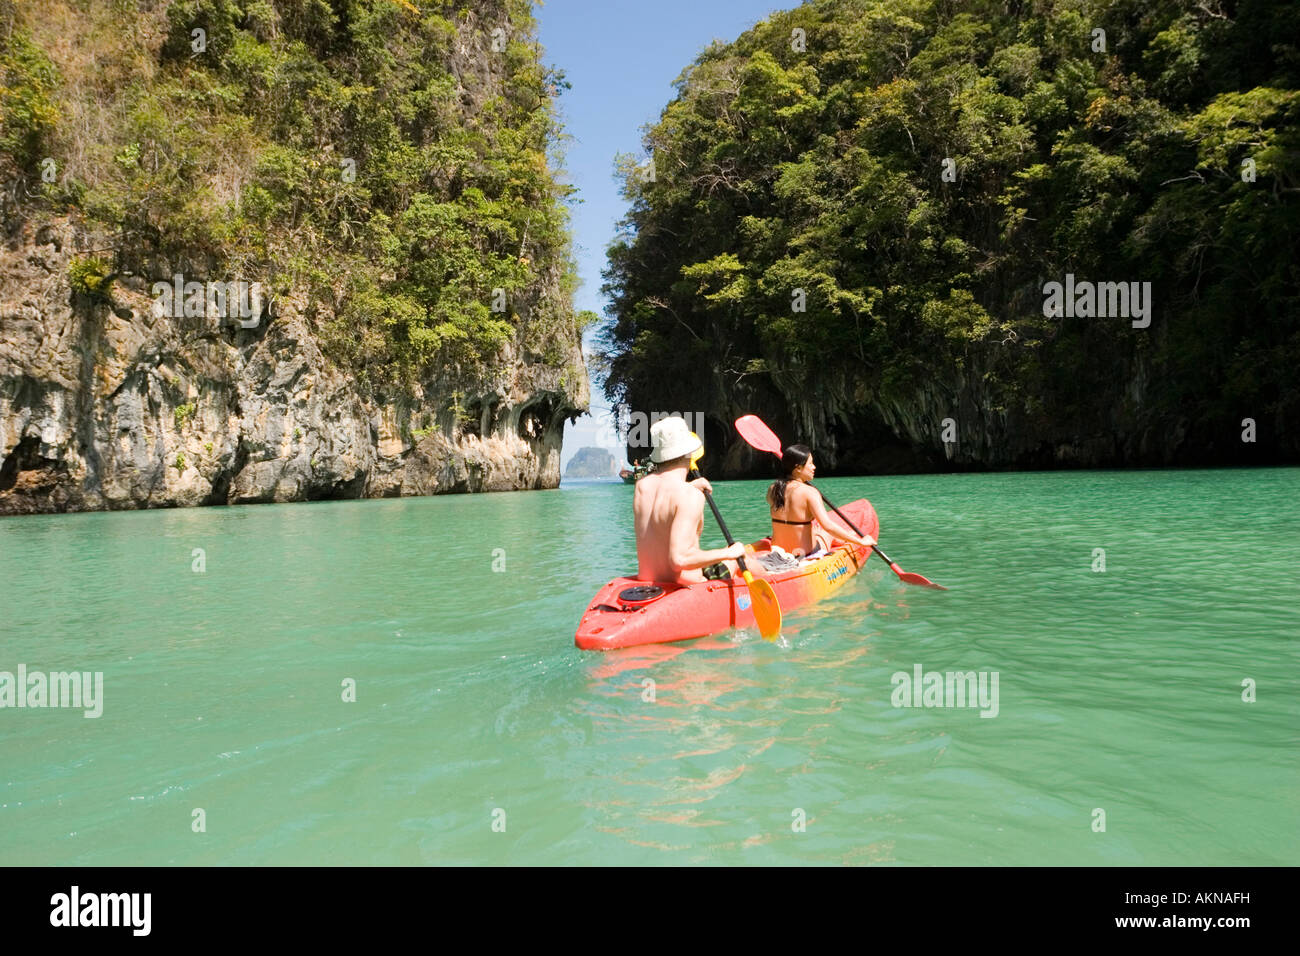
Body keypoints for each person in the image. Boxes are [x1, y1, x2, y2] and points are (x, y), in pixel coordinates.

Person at [634, 417, 744, 584]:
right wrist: (729, 552)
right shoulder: (690, 496)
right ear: (688, 452)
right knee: (739, 561)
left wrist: (691, 485)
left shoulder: (642, 486)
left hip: (647, 580)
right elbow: (679, 559)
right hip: (684, 584)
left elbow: (663, 504)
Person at [767, 444, 876, 559]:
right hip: (803, 553)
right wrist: (860, 542)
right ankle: (845, 538)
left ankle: (840, 537)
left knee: (813, 528)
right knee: (826, 533)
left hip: (778, 551)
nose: (814, 467)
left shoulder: (773, 488)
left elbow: (789, 513)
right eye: (810, 464)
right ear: (798, 468)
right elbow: (828, 526)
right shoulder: (810, 492)